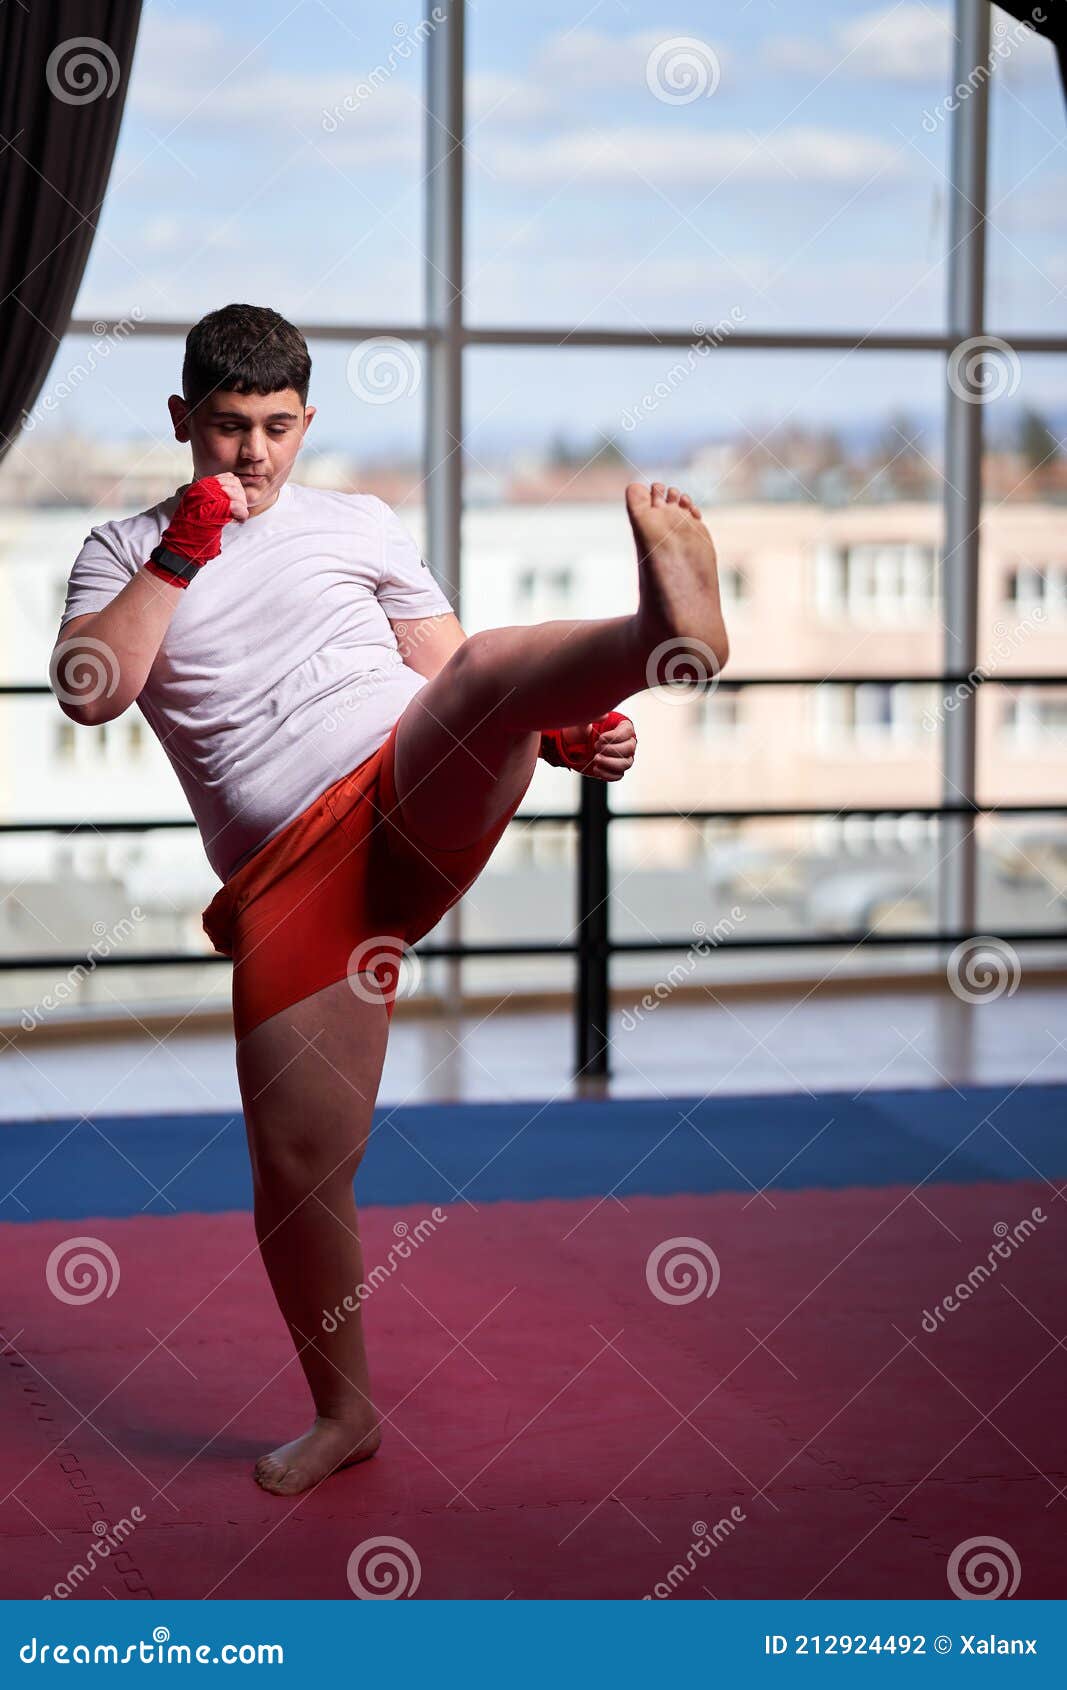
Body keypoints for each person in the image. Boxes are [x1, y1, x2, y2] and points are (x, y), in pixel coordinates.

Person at [50, 302, 730, 1497]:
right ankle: (345, 1413)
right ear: (181, 422)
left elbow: (447, 662)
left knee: (479, 676)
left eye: (274, 427)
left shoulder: (357, 523)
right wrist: (182, 552)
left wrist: (564, 727)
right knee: (300, 1168)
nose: (252, 454)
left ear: (306, 421)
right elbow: (91, 692)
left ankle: (656, 635)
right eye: (224, 429)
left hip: (403, 784)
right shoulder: (120, 549)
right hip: (289, 882)